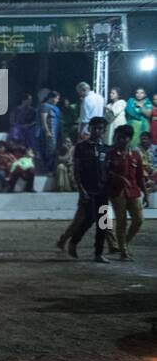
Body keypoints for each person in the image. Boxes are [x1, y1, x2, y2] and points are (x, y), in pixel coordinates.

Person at [62, 116, 112, 262]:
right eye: (94, 128)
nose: (97, 131)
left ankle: (98, 253)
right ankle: (73, 242)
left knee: (103, 222)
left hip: (103, 191)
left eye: (100, 128)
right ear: (90, 128)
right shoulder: (81, 147)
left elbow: (109, 171)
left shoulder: (106, 149)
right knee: (89, 218)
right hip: (88, 190)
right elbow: (77, 171)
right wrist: (81, 190)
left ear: (104, 130)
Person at [107, 125, 143, 261]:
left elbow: (139, 176)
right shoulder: (110, 154)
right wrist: (118, 177)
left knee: (139, 220)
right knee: (121, 223)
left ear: (129, 139)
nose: (120, 140)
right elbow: (105, 172)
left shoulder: (135, 154)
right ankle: (123, 250)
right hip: (117, 192)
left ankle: (124, 244)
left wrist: (144, 192)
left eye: (123, 138)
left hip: (133, 191)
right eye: (118, 137)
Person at [38, 91, 61, 172]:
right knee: (50, 150)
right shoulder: (45, 106)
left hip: (55, 131)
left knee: (54, 149)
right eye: (57, 98)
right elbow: (43, 120)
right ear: (51, 98)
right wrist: (47, 131)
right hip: (50, 132)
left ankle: (51, 169)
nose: (58, 100)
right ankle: (47, 169)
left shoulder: (55, 107)